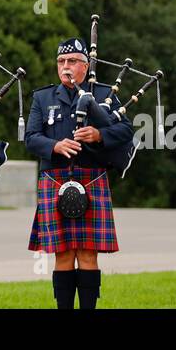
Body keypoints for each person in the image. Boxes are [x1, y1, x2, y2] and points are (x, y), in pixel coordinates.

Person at [25, 37, 136, 309]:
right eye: (61, 61)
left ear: (85, 67)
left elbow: (126, 130)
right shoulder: (43, 97)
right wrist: (55, 145)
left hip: (92, 178)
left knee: (88, 255)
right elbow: (30, 137)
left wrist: (99, 135)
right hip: (55, 179)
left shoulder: (103, 95)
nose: (66, 67)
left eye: (72, 61)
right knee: (62, 255)